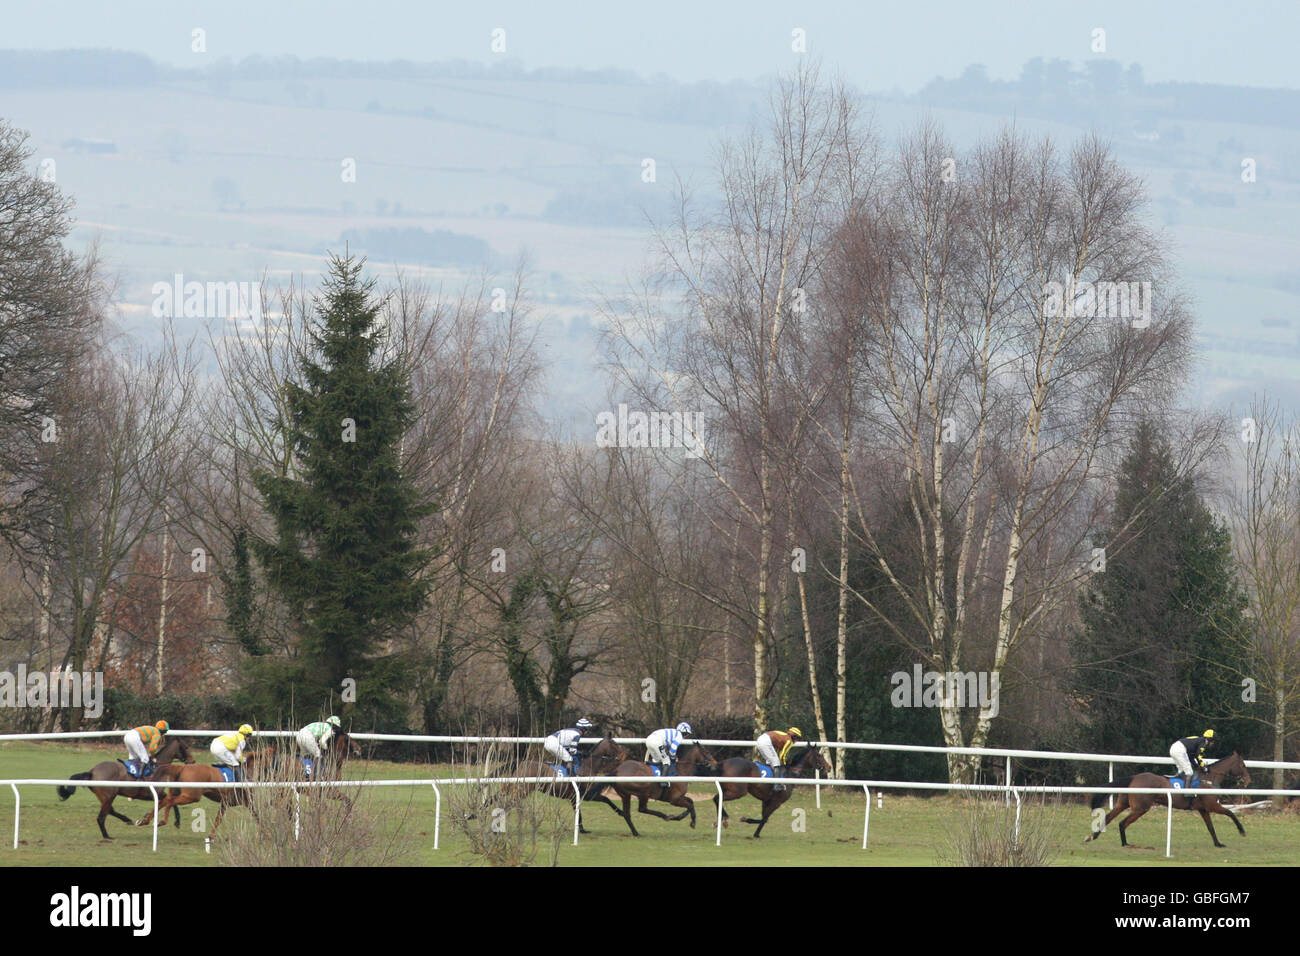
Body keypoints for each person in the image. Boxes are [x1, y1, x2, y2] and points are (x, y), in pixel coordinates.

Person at [646, 722, 692, 787]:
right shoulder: (679, 736)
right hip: (657, 742)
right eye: (686, 734)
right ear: (684, 732)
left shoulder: (673, 732)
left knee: (657, 760)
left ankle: (654, 776)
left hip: (648, 740)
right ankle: (663, 781)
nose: (686, 736)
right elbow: (673, 748)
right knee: (666, 761)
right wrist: (673, 757)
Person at [756, 726, 803, 792]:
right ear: (794, 736)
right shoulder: (789, 741)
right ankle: (776, 785)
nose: (797, 741)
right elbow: (783, 754)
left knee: (770, 762)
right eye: (798, 738)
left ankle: (769, 781)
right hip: (766, 742)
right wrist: (784, 764)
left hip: (760, 739)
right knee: (776, 763)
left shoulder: (784, 736)